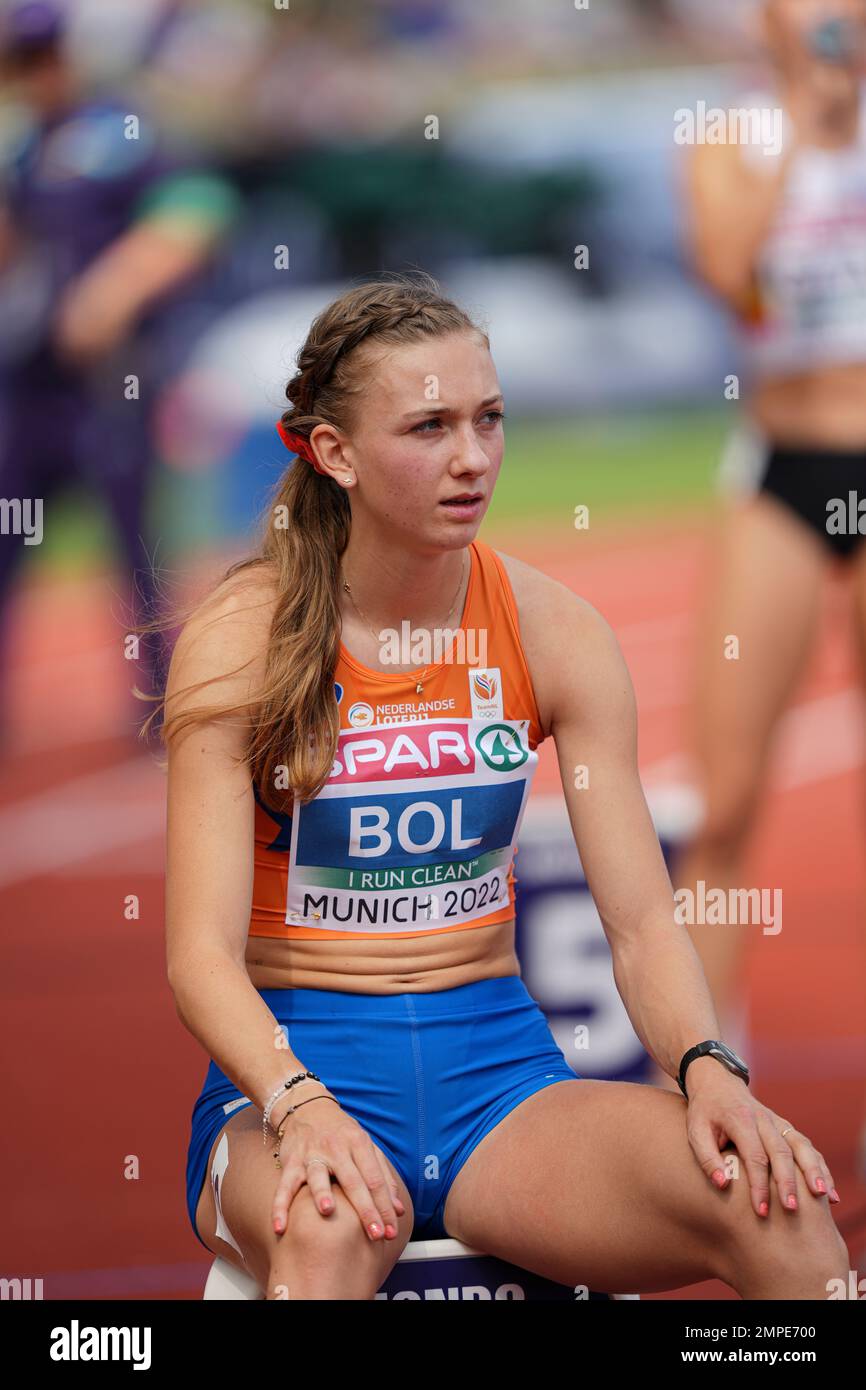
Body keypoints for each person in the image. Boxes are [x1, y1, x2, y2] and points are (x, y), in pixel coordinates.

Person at [160, 273, 847, 1300]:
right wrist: (299, 1102)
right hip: (292, 1079)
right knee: (331, 1227)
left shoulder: (553, 629)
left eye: (488, 419)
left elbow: (640, 928)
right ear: (334, 453)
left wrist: (708, 1067)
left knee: (776, 1209)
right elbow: (198, 957)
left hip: (499, 1088)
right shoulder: (238, 639)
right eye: (428, 427)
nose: (471, 457)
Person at [668, 0, 866, 1085]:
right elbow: (723, 266)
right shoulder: (726, 134)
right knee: (726, 797)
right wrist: (802, 116)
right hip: (781, 469)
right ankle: (704, 1074)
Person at [0, 0, 237, 741]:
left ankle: (163, 701)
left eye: (46, 55)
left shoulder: (125, 129)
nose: (38, 72)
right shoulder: (24, 147)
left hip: (112, 381)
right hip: (28, 385)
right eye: (22, 59)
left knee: (135, 545)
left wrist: (115, 288)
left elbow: (197, 211)